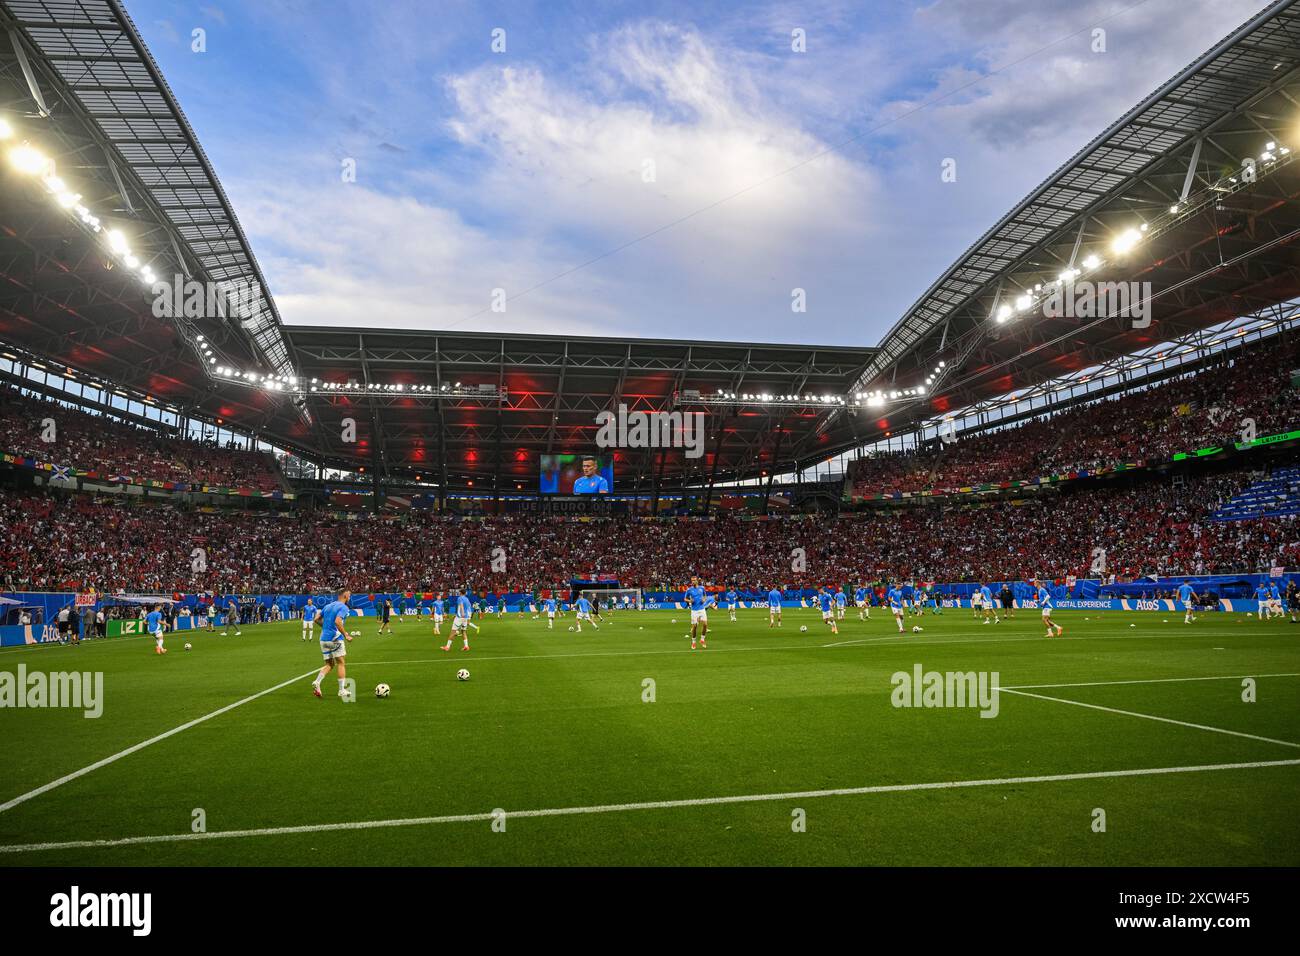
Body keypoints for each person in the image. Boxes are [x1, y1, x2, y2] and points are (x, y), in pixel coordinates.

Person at [311, 590, 355, 699]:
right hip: (335, 639)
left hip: (323, 639)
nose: (350, 596)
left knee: (330, 664)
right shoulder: (344, 607)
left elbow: (316, 619)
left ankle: (317, 682)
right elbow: (338, 621)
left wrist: (326, 628)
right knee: (341, 663)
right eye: (349, 594)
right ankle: (341, 690)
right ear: (345, 595)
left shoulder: (328, 606)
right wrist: (346, 635)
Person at [684, 576, 709, 650]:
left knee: (705, 624)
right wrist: (690, 601)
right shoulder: (689, 590)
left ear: (697, 581)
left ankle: (702, 640)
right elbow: (685, 598)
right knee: (694, 626)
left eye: (694, 580)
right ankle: (694, 642)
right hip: (694, 610)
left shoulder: (702, 588)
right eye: (692, 581)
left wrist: (704, 600)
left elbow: (705, 596)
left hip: (702, 609)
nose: (693, 582)